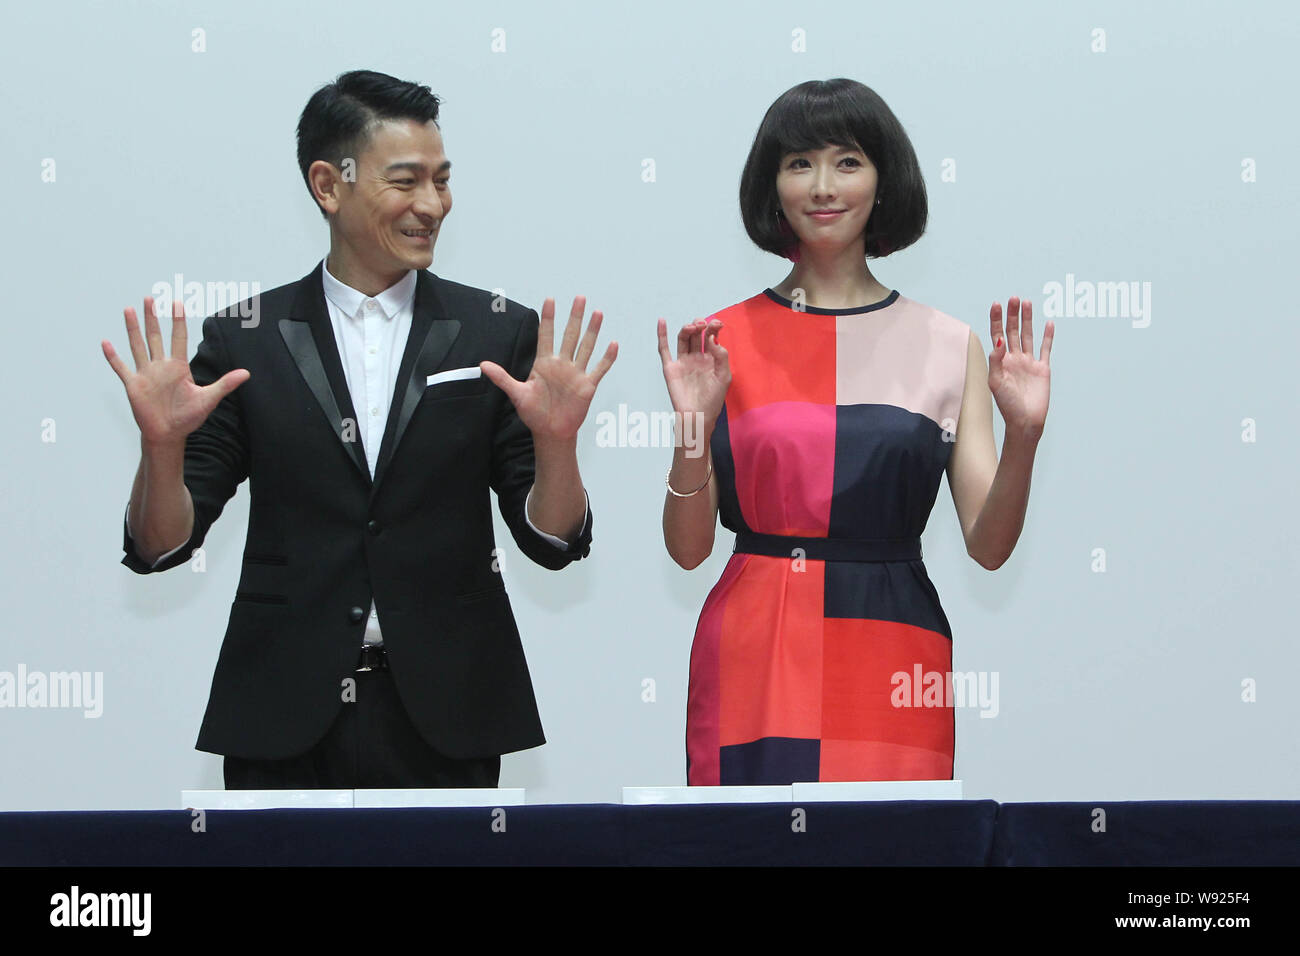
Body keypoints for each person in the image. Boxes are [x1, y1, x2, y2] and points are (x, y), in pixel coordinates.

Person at [102, 70, 616, 790]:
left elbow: (552, 541)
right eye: (405, 181)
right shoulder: (246, 341)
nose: (432, 204)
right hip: (280, 712)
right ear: (328, 184)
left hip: (449, 713)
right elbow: (160, 545)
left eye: (442, 180)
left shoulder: (495, 331)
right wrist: (162, 448)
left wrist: (558, 444)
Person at [657, 78, 1053, 786]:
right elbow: (688, 552)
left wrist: (1023, 435)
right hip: (755, 640)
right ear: (772, 185)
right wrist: (693, 424)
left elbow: (990, 549)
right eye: (798, 162)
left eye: (847, 161)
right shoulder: (721, 341)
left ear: (883, 178)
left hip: (893, 648)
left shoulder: (947, 341)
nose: (822, 186)